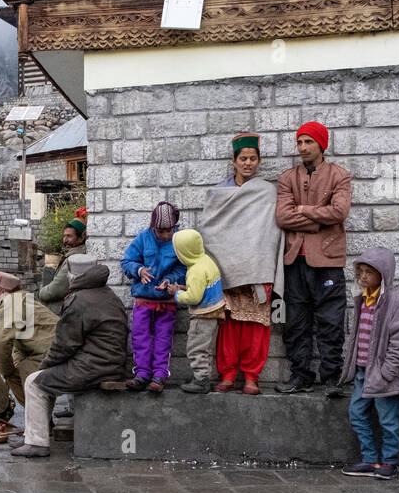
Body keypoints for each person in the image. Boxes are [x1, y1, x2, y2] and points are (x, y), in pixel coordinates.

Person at [12, 258, 129, 458]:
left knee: (34, 381)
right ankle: (41, 432)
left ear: (72, 276)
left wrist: (44, 365)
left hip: (94, 367)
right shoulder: (109, 295)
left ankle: (37, 442)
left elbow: (65, 345)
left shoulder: (79, 301)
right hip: (113, 363)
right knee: (46, 377)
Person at [198, 132, 284, 395]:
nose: (248, 163)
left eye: (253, 158)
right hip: (228, 271)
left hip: (258, 269)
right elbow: (210, 230)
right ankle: (227, 375)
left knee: (257, 326)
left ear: (259, 161)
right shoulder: (218, 194)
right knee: (229, 325)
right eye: (243, 158)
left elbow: (271, 231)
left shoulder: (268, 192)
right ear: (234, 161)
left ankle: (251, 377)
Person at [274, 121, 352, 396]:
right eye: (299, 142)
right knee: (296, 323)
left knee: (331, 323)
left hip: (328, 261)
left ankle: (332, 379)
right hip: (294, 260)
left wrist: (304, 210)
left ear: (321, 144)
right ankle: (300, 376)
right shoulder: (287, 178)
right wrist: (318, 219)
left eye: (308, 142)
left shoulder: (339, 176)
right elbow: (283, 217)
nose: (303, 147)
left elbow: (339, 212)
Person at [338, 247, 399, 480]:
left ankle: (389, 462)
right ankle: (370, 458)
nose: (363, 277)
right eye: (360, 271)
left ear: (384, 274)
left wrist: (387, 372)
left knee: (388, 419)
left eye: (369, 272)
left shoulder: (396, 304)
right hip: (363, 371)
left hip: (384, 374)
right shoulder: (363, 300)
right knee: (357, 413)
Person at [120, 201, 187, 393]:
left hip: (167, 302)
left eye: (169, 231)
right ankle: (141, 373)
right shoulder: (142, 239)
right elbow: (126, 261)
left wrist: (170, 280)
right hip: (143, 301)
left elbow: (183, 267)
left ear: (175, 227)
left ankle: (159, 375)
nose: (166, 235)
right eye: (161, 231)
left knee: (163, 339)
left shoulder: (179, 241)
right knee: (140, 337)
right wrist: (139, 270)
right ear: (153, 227)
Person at [0, 271, 58, 409]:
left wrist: (6, 370)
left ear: (1, 291)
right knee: (17, 363)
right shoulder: (23, 297)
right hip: (57, 348)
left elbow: (1, 341)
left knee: (12, 374)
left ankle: (38, 417)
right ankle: (42, 416)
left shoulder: (12, 301)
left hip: (51, 352)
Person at [169, 228, 226, 394]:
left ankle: (201, 381)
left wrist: (177, 293)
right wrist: (182, 286)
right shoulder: (206, 261)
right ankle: (202, 376)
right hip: (214, 314)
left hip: (202, 316)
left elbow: (193, 297)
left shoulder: (195, 270)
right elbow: (201, 287)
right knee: (206, 348)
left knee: (196, 348)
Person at [36, 207, 89, 316]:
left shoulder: (75, 259)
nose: (65, 240)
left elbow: (54, 291)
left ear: (81, 238)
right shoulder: (72, 256)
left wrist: (41, 291)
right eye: (64, 236)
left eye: (69, 236)